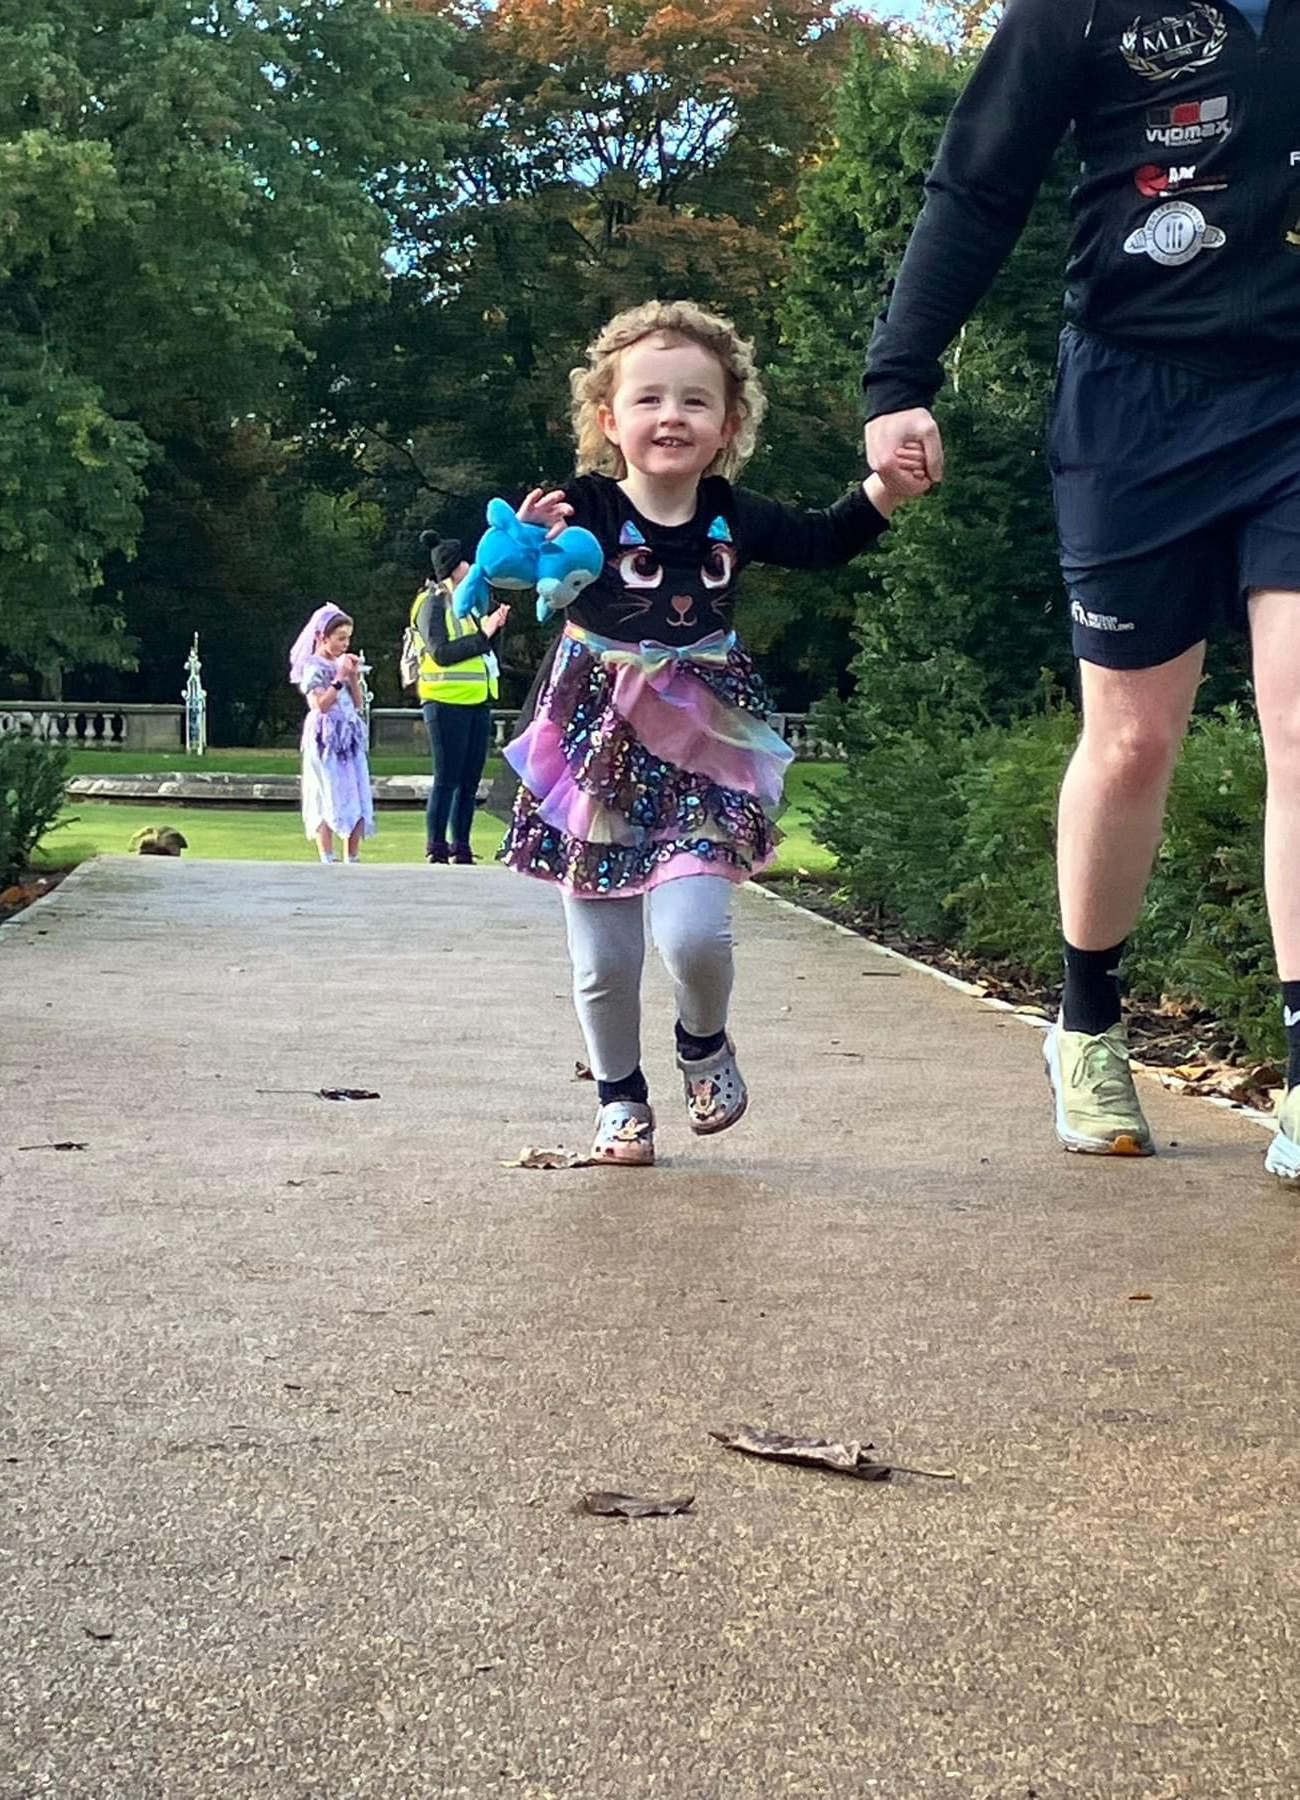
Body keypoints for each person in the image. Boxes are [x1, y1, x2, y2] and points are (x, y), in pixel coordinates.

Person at [862, 0, 1300, 1178]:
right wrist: (898, 380)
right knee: (1133, 743)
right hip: (1134, 400)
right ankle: (1088, 1022)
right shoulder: (1081, 11)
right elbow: (976, 187)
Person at [496, 298, 927, 1167]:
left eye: (695, 401)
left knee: (694, 935)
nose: (671, 417)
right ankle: (620, 1098)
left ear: (729, 424)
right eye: (649, 399)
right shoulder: (586, 509)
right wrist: (524, 544)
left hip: (703, 738)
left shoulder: (732, 512)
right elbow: (514, 564)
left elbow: (823, 538)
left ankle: (704, 1041)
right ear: (608, 419)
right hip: (596, 744)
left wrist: (888, 485)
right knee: (605, 961)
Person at [412, 532, 509, 865]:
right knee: (447, 776)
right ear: (451, 567)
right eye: (464, 561)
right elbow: (441, 652)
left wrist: (495, 626)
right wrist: (485, 634)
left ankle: (462, 846)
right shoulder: (432, 603)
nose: (471, 566)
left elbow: (487, 652)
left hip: (477, 700)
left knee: (470, 779)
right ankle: (436, 846)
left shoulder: (469, 604)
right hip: (443, 700)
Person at [288, 605, 375, 864]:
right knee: (325, 790)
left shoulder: (343, 664)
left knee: (355, 789)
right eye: (340, 638)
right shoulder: (313, 667)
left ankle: (353, 854)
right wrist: (339, 678)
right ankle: (327, 854)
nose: (344, 644)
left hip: (348, 734)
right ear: (322, 638)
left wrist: (354, 678)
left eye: (347, 638)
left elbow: (358, 704)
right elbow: (320, 705)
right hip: (325, 735)